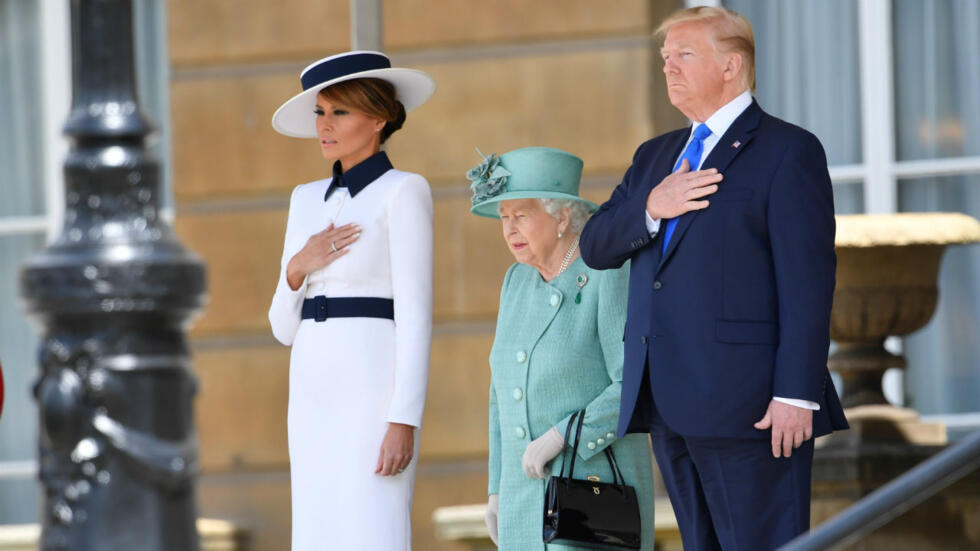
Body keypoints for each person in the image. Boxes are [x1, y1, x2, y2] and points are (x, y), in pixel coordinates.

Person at [579, 7, 849, 550]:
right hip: (668, 400)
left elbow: (808, 282)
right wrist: (652, 207)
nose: (668, 68)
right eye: (664, 58)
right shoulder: (656, 156)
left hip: (753, 410)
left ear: (731, 65)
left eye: (684, 55)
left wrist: (797, 393)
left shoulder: (788, 150)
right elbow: (595, 245)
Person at [268, 50, 436, 550]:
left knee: (373, 524)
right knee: (318, 527)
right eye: (320, 112)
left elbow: (417, 316)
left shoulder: (404, 191)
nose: (324, 125)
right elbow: (281, 327)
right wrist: (300, 265)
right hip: (312, 383)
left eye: (338, 111)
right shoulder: (303, 198)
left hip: (372, 383)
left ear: (378, 117)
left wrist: (404, 419)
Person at [469, 147, 655, 550]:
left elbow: (633, 381)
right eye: (503, 218)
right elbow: (499, 396)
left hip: (591, 493)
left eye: (520, 215)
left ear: (562, 216)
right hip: (522, 497)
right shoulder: (515, 281)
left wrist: (562, 435)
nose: (509, 230)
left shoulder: (607, 272)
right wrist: (496, 489)